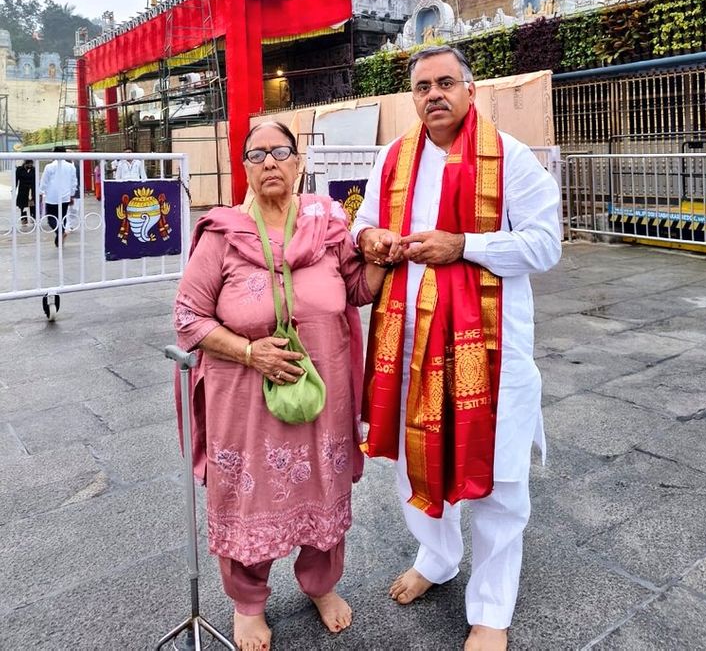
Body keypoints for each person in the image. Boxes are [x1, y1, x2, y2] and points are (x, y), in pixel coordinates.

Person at [352, 45, 562, 651]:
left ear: (471, 91)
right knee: (416, 463)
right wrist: (374, 238)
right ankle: (437, 558)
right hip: (409, 347)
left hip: (486, 354)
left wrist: (464, 244)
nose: (434, 95)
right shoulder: (393, 159)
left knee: (498, 478)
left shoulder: (511, 159)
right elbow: (359, 222)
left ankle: (492, 610)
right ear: (412, 98)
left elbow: (545, 245)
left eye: (446, 83)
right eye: (422, 87)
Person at [173, 121, 386, 651]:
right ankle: (248, 605)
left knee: (324, 490)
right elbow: (188, 317)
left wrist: (383, 258)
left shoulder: (328, 220)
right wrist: (250, 351)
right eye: (257, 154)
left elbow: (357, 289)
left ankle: (320, 585)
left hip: (323, 396)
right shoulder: (221, 234)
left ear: (299, 161)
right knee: (249, 501)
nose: (270, 162)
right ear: (243, 167)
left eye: (281, 152)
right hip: (246, 405)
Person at [39, 146, 78, 247]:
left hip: (52, 196)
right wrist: (72, 194)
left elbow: (44, 182)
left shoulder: (49, 167)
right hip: (65, 196)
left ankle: (60, 233)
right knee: (62, 217)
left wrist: (41, 191)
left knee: (51, 218)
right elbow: (74, 182)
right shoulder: (70, 167)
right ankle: (60, 237)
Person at [15, 159, 36, 225]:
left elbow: (36, 180)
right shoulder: (19, 169)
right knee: (23, 205)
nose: (30, 165)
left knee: (32, 204)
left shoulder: (34, 169)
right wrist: (14, 188)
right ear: (25, 163)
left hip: (32, 189)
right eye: (29, 164)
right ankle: (24, 219)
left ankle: (33, 217)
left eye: (31, 164)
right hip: (23, 189)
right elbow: (16, 179)